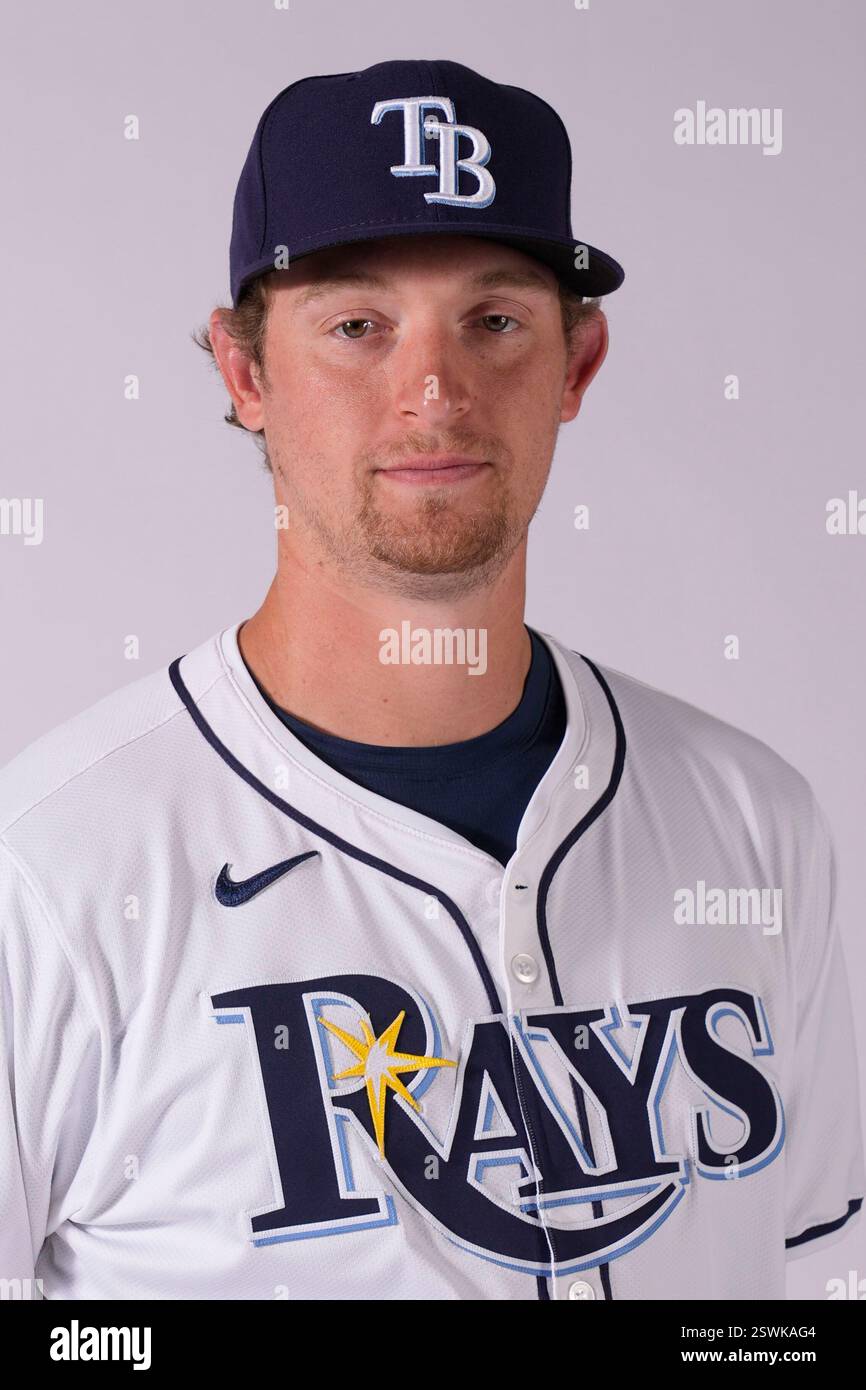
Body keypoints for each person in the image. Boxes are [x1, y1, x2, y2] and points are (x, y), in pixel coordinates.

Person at [0, 59, 862, 1303]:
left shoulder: (749, 820)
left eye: (494, 321)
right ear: (243, 373)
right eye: (357, 325)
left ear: (576, 362)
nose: (434, 391)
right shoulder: (49, 874)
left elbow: (802, 1292)